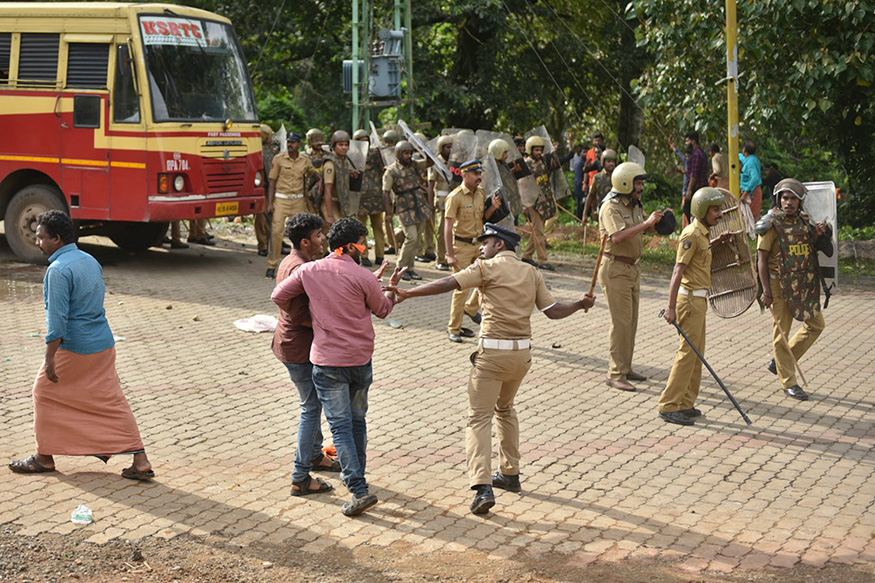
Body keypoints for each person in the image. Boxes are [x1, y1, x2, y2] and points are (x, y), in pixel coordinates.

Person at [385, 223, 595, 515]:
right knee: (505, 409)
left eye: (485, 242)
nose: (480, 247)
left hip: (493, 356)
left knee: (478, 419)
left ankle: (481, 486)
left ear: (499, 244)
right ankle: (510, 474)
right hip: (522, 356)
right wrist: (579, 304)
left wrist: (409, 293)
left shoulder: (486, 267)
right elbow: (553, 311)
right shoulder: (532, 272)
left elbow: (449, 283)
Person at [271, 218, 402, 516]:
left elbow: (278, 296)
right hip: (360, 360)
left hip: (327, 362)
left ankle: (358, 488)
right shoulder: (363, 277)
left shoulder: (309, 270)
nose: (365, 247)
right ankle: (359, 483)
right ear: (352, 246)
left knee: (340, 426)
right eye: (363, 242)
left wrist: (316, 317)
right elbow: (382, 310)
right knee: (357, 422)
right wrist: (391, 291)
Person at [9, 210, 154, 479]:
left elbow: (57, 322)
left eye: (41, 237)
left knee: (44, 391)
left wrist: (50, 357)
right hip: (103, 343)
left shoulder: (58, 270)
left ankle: (44, 458)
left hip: (76, 347)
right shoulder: (89, 260)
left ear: (57, 238)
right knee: (109, 399)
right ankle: (141, 460)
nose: (37, 242)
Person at [271, 213, 341, 496]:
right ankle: (300, 476)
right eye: (318, 236)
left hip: (295, 346)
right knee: (311, 408)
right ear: (304, 242)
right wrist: (336, 323)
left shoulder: (298, 262)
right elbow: (299, 313)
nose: (323, 239)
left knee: (313, 406)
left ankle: (314, 456)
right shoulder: (298, 268)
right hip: (298, 349)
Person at [756, 178, 831, 401]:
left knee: (817, 325)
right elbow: (761, 259)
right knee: (781, 335)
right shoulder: (770, 224)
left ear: (800, 202)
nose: (789, 202)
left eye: (793, 199)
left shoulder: (804, 223)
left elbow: (811, 249)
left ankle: (780, 362)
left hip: (803, 285)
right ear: (779, 199)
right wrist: (766, 291)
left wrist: (817, 235)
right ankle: (788, 382)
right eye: (785, 198)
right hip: (779, 286)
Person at [658, 188, 727, 426]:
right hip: (688, 301)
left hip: (699, 301)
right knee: (687, 355)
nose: (720, 214)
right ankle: (668, 406)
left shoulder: (704, 235)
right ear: (702, 210)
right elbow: (678, 271)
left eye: (720, 209)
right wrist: (670, 307)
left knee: (697, 356)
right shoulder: (692, 235)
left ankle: (686, 403)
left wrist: (716, 243)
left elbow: (699, 259)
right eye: (715, 210)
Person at [598, 162, 669, 392]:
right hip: (615, 269)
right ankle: (615, 374)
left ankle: (625, 367)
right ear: (626, 183)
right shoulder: (611, 207)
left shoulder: (634, 205)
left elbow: (646, 228)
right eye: (638, 183)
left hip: (632, 269)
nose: (642, 187)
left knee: (631, 323)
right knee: (621, 324)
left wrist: (660, 221)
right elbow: (618, 236)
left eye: (642, 183)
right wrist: (646, 223)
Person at [444, 159, 502, 343]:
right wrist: (450, 255)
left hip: (479, 245)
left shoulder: (480, 193)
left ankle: (470, 309)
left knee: (486, 279)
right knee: (461, 288)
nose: (479, 177)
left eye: (480, 174)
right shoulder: (455, 197)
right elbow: (446, 227)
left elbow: (483, 217)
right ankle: (454, 328)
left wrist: (493, 207)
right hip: (460, 247)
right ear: (465, 175)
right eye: (476, 174)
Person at [265, 132, 320, 279]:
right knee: (276, 232)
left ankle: (303, 263)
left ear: (299, 144)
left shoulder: (304, 160)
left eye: (294, 142)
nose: (290, 144)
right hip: (281, 199)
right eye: (288, 142)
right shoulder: (279, 159)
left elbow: (315, 175)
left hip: (298, 200)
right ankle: (272, 265)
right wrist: (270, 203)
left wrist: (312, 189)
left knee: (303, 233)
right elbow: (272, 181)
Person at [383, 140, 432, 281]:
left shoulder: (415, 165)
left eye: (410, 153)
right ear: (398, 154)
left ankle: (410, 268)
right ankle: (400, 267)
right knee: (411, 238)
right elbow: (385, 193)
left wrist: (422, 147)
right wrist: (388, 213)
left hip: (420, 205)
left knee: (417, 240)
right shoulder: (391, 171)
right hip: (404, 208)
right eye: (405, 153)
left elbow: (430, 162)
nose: (409, 156)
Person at [520, 136, 561, 271]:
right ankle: (543, 260)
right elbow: (522, 186)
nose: (538, 152)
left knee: (537, 231)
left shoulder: (543, 161)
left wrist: (553, 152)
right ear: (530, 150)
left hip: (544, 202)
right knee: (539, 232)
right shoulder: (526, 164)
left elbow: (554, 167)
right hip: (533, 203)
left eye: (540, 150)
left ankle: (526, 256)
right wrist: (525, 206)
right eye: (536, 150)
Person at [354, 129, 386, 267]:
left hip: (368, 197)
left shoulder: (353, 155)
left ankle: (371, 256)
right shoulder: (376, 153)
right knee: (373, 228)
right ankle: (375, 256)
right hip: (368, 196)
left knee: (370, 228)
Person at [322, 130, 362, 226]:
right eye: (340, 145)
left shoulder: (344, 161)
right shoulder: (330, 164)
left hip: (342, 203)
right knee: (338, 229)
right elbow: (327, 190)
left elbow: (340, 177)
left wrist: (350, 175)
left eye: (346, 145)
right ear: (334, 146)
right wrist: (330, 215)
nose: (344, 147)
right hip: (331, 203)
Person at [428, 135, 454, 271]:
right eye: (447, 147)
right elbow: (431, 184)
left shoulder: (455, 162)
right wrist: (430, 203)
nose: (450, 150)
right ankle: (441, 259)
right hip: (442, 201)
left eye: (451, 147)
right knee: (442, 230)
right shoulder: (435, 163)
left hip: (455, 201)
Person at [255, 124, 277, 257]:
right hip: (261, 187)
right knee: (261, 218)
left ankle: (272, 242)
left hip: (272, 187)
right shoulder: (256, 150)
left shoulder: (272, 149)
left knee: (273, 217)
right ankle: (262, 244)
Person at [681, 130, 709, 225]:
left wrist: (689, 189)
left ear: (693, 141)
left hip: (696, 189)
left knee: (690, 211)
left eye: (687, 141)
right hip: (700, 187)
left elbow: (695, 174)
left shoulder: (696, 154)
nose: (686, 143)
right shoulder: (700, 152)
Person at [583, 148, 618, 223]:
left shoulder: (619, 177)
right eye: (608, 161)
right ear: (603, 162)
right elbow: (591, 195)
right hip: (602, 211)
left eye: (613, 161)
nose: (611, 164)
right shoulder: (597, 178)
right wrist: (585, 214)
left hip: (617, 211)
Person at [740, 141, 763, 219]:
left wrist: (745, 193)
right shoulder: (752, 160)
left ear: (744, 150)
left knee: (752, 216)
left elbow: (755, 178)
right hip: (752, 191)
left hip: (752, 192)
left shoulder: (750, 163)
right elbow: (744, 159)